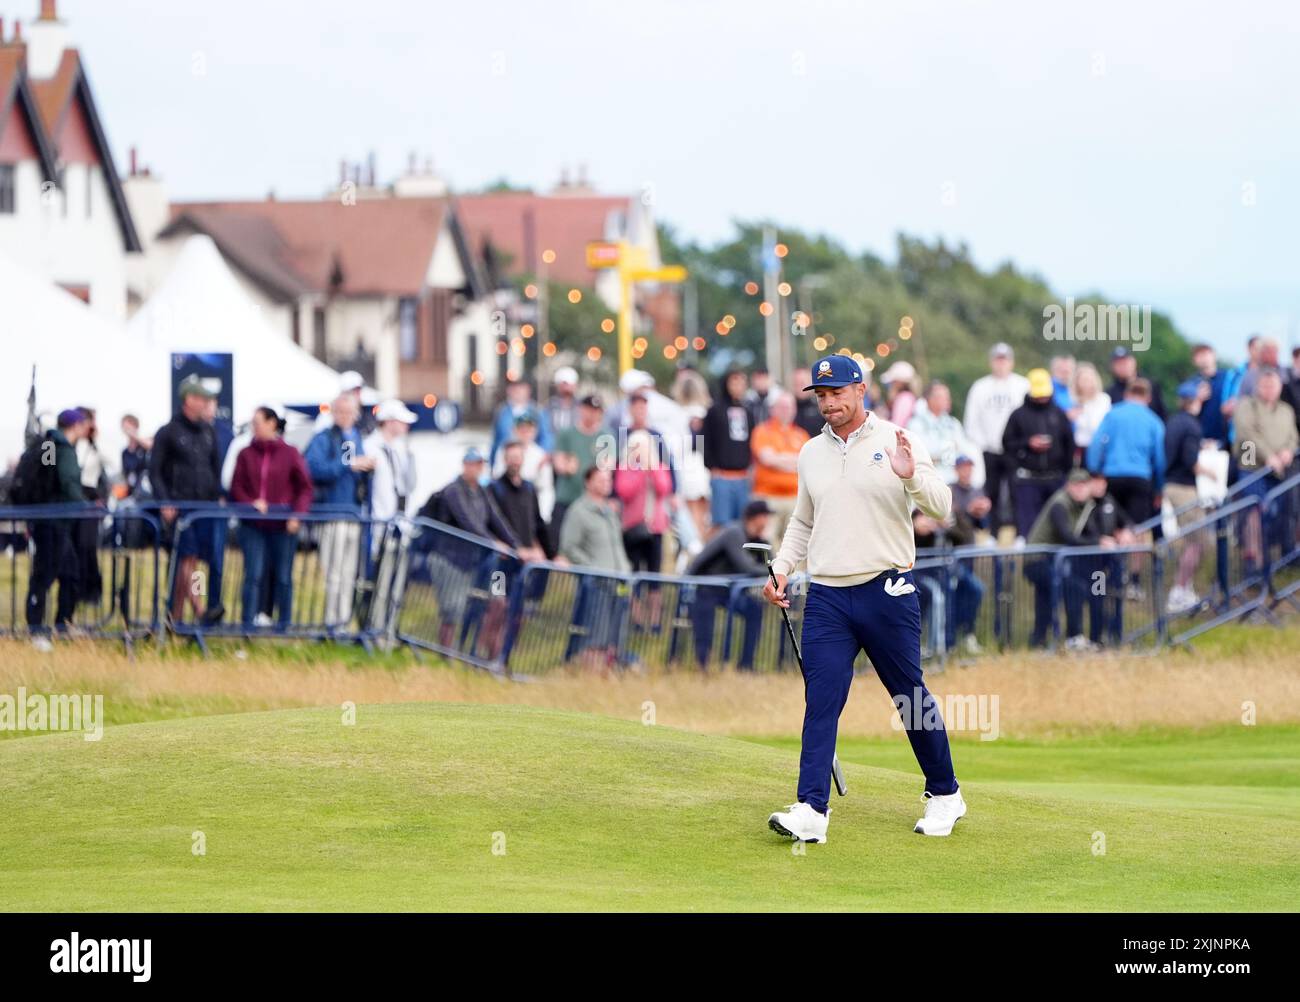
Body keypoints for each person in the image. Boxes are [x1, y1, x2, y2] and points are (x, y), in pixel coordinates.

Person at [763, 354, 963, 844]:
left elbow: (943, 505)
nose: (828, 403)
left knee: (909, 696)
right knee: (822, 700)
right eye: (821, 395)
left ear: (860, 390)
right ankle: (812, 808)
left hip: (886, 588)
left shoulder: (900, 439)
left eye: (836, 393)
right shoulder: (811, 453)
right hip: (828, 593)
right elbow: (803, 522)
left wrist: (909, 474)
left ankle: (945, 794)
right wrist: (783, 568)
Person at [1024, 470, 1133, 650]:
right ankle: (1072, 638)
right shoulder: (1065, 503)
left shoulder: (1100, 503)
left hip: (1099, 565)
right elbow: (1071, 536)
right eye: (1080, 485)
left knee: (1099, 595)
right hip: (1063, 562)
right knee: (1075, 590)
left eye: (1101, 481)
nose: (1097, 486)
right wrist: (1100, 541)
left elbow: (1123, 521)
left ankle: (1099, 639)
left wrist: (1126, 531)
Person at [230, 406, 312, 629]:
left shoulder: (290, 453)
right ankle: (249, 621)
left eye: (257, 422)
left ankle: (284, 623)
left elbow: (305, 488)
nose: (254, 427)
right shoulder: (245, 454)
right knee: (253, 574)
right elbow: (236, 487)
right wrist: (250, 503)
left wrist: (297, 515)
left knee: (283, 576)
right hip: (253, 525)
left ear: (272, 423)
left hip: (283, 526)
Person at [150, 376, 223, 625]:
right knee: (186, 559)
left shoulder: (208, 432)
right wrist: (164, 502)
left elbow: (214, 468)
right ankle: (201, 610)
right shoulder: (168, 432)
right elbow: (155, 472)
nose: (206, 404)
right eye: (202, 398)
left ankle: (175, 617)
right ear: (189, 400)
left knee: (193, 562)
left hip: (204, 508)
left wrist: (216, 496)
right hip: (179, 507)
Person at [304, 394, 375, 629]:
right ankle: (332, 622)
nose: (346, 416)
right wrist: (346, 465)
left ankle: (343, 621)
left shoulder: (357, 437)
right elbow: (312, 468)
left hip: (353, 514)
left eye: (350, 412)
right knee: (333, 574)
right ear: (334, 412)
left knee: (348, 575)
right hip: (332, 514)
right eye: (341, 411)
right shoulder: (324, 438)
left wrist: (366, 468)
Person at [25, 409, 89, 649]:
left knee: (69, 573)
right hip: (52, 521)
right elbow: (62, 481)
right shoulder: (58, 448)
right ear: (77, 426)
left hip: (53, 521)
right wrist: (84, 506)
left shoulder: (53, 446)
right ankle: (36, 630)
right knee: (44, 576)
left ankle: (63, 625)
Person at [558, 466, 630, 673]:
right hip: (597, 584)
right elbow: (569, 547)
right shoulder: (578, 511)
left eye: (608, 479)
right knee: (595, 635)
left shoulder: (610, 512)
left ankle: (608, 678)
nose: (606, 483)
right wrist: (592, 568)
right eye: (600, 479)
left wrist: (626, 569)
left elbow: (618, 547)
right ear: (588, 482)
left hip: (620, 582)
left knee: (616, 636)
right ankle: (589, 678)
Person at [685, 500, 772, 671]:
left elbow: (769, 562)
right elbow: (746, 566)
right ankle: (702, 667)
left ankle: (746, 666)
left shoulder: (757, 538)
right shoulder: (734, 532)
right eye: (765, 516)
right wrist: (775, 570)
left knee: (754, 610)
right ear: (755, 518)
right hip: (704, 587)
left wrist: (767, 552)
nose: (767, 521)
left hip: (726, 591)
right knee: (705, 630)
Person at [1233, 367, 1299, 568]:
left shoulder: (1286, 410)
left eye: (1273, 386)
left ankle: (1271, 562)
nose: (1270, 390)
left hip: (1278, 472)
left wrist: (1288, 451)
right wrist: (1269, 455)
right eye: (1265, 385)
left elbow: (1293, 436)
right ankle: (1253, 562)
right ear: (1258, 386)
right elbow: (1247, 434)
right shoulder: (1246, 405)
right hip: (1252, 468)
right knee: (1254, 510)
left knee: (1276, 513)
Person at [962, 342, 1029, 536]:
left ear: (1011, 362)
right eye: (998, 360)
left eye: (1004, 360)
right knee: (991, 493)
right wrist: (982, 444)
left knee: (1017, 492)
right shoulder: (980, 387)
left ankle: (1020, 534)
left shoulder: (1022, 385)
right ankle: (993, 532)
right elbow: (971, 420)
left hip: (1015, 449)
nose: (1001, 364)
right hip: (989, 450)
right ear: (992, 362)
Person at [1002, 368, 1075, 540]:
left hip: (1055, 479)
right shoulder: (1018, 415)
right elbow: (1007, 444)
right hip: (1028, 480)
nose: (1042, 397)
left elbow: (1069, 445)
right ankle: (1032, 565)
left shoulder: (1059, 413)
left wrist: (1067, 474)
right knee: (1029, 529)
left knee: (1058, 529)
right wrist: (1027, 444)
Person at [1085, 379, 1166, 530]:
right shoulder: (1154, 421)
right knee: (1136, 530)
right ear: (1148, 398)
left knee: (1112, 526)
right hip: (1140, 479)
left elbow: (1096, 445)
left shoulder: (1112, 415)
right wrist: (1159, 488)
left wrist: (1095, 471)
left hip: (1112, 478)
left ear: (1126, 394)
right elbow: (1160, 460)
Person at [1164, 380, 1214, 614]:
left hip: (1170, 484)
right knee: (1198, 541)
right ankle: (1179, 591)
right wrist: (1211, 472)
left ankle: (1185, 588)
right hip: (1183, 487)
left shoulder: (1174, 422)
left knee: (1192, 541)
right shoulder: (1191, 426)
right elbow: (1190, 461)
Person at [912, 498, 985, 655]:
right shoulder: (917, 514)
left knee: (975, 589)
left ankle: (962, 635)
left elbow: (964, 539)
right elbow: (913, 542)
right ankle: (936, 646)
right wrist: (918, 528)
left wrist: (947, 528)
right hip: (924, 570)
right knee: (939, 597)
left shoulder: (955, 514)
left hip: (951, 568)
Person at [750, 392, 809, 545]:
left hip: (795, 498)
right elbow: (767, 459)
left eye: (789, 407)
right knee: (768, 541)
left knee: (795, 542)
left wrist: (779, 458)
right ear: (773, 409)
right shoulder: (762, 431)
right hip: (768, 497)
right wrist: (793, 461)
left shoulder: (801, 434)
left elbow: (806, 463)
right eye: (782, 407)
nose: (786, 410)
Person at [613, 430, 674, 575]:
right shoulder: (624, 468)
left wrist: (652, 469)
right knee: (633, 569)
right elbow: (624, 492)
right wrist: (640, 472)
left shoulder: (658, 467)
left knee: (654, 573)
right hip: (633, 528)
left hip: (655, 528)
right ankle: (633, 598)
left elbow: (663, 489)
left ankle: (654, 597)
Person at [702, 369, 752, 531]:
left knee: (743, 524)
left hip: (743, 476)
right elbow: (704, 440)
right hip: (721, 476)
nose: (738, 386)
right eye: (734, 382)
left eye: (741, 383)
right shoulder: (714, 410)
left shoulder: (748, 411)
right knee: (722, 525)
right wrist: (711, 466)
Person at [908, 381, 983, 487]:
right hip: (929, 478)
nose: (947, 400)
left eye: (947, 397)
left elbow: (963, 447)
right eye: (942, 397)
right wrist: (950, 448)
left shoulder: (952, 423)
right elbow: (924, 453)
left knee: (975, 451)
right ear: (929, 400)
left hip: (956, 476)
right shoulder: (916, 424)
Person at [551, 394, 607, 534]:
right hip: (567, 499)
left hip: (592, 503)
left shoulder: (605, 436)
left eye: (596, 411)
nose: (592, 414)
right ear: (581, 409)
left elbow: (606, 468)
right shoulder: (567, 434)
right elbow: (560, 464)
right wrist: (567, 466)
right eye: (589, 409)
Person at [72, 407, 108, 608]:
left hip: (90, 497)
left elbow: (110, 461)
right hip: (73, 497)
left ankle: (92, 591)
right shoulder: (69, 444)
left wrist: (97, 440)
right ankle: (75, 590)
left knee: (87, 546)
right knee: (74, 546)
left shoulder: (95, 446)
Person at [489, 377, 552, 467]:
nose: (518, 391)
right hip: (506, 458)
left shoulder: (537, 411)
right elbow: (495, 439)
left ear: (528, 390)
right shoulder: (501, 411)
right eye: (514, 388)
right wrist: (492, 463)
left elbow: (546, 436)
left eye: (521, 388)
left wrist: (544, 455)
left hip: (530, 459)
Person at [1106, 347, 1166, 420]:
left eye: (1125, 362)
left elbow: (1162, 414)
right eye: (1118, 364)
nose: (1123, 367)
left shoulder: (1151, 386)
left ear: (1134, 362)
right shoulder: (1110, 393)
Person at [1190, 343, 1231, 447]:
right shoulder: (1191, 384)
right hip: (1201, 440)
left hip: (1225, 440)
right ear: (1194, 361)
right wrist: (1197, 399)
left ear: (1214, 355)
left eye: (1206, 354)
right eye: (1199, 355)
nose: (1204, 359)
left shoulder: (1228, 379)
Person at [1070, 361, 1111, 458]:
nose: (1087, 383)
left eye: (1090, 379)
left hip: (1098, 447)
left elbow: (1098, 426)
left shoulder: (1103, 399)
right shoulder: (1072, 401)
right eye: (1084, 380)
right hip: (1078, 449)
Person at [951, 455, 993, 539]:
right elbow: (949, 513)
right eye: (963, 468)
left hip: (971, 535)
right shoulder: (950, 489)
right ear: (956, 470)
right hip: (953, 535)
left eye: (969, 468)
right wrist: (969, 509)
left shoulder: (977, 491)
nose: (967, 471)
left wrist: (982, 510)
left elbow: (982, 524)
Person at [120, 414, 151, 498]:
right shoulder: (125, 452)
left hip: (146, 491)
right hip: (132, 493)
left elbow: (151, 445)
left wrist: (135, 436)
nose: (127, 431)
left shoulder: (144, 447)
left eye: (129, 427)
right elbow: (126, 474)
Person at [879, 360, 918, 427]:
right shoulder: (906, 397)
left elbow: (897, 426)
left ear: (899, 383)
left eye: (893, 382)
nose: (890, 385)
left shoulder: (904, 398)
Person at [791, 366, 825, 439]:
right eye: (796, 383)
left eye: (802, 383)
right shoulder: (786, 408)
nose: (799, 387)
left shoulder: (820, 407)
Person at [547, 366, 580, 434]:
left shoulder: (581, 407)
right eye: (563, 384)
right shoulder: (549, 406)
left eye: (568, 384)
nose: (566, 388)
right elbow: (546, 433)